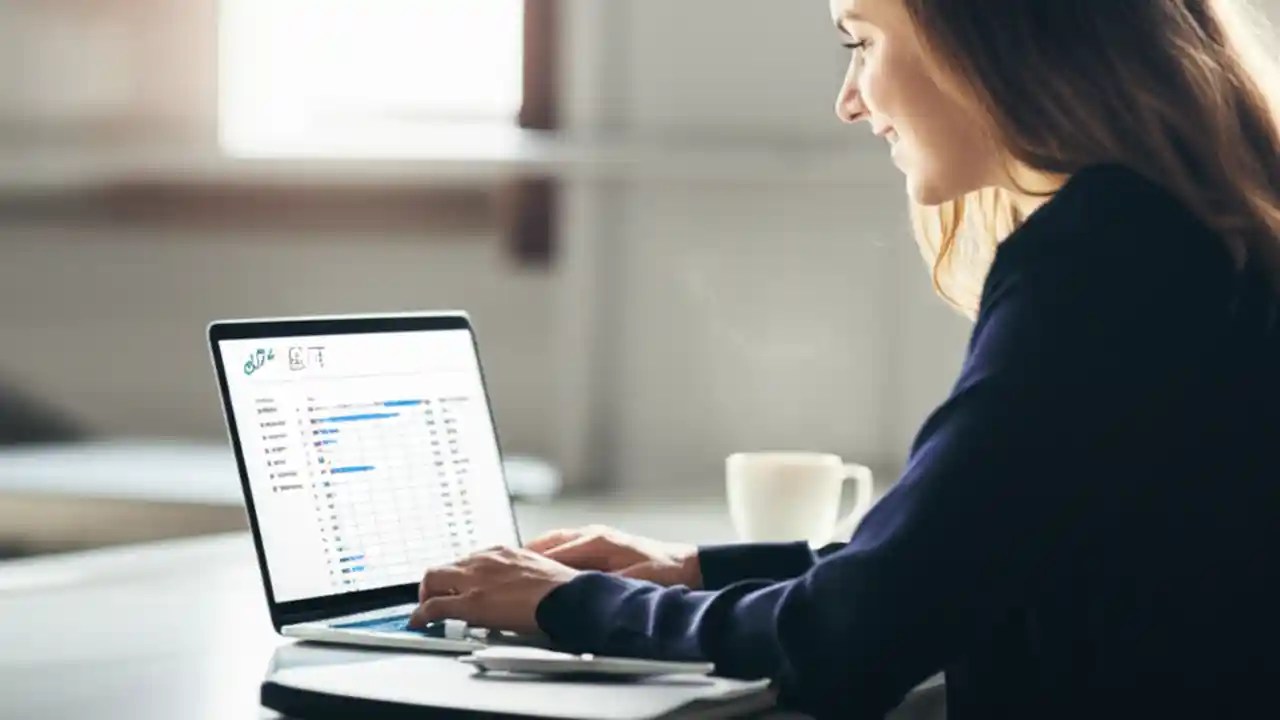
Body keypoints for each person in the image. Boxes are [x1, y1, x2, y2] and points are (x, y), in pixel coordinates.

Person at [409, 0, 1280, 716]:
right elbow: (954, 560)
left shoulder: (1103, 260)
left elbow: (850, 637)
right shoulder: (1192, 234)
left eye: (861, 42)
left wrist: (568, 603)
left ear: (986, 34)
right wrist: (693, 570)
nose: (849, 101)